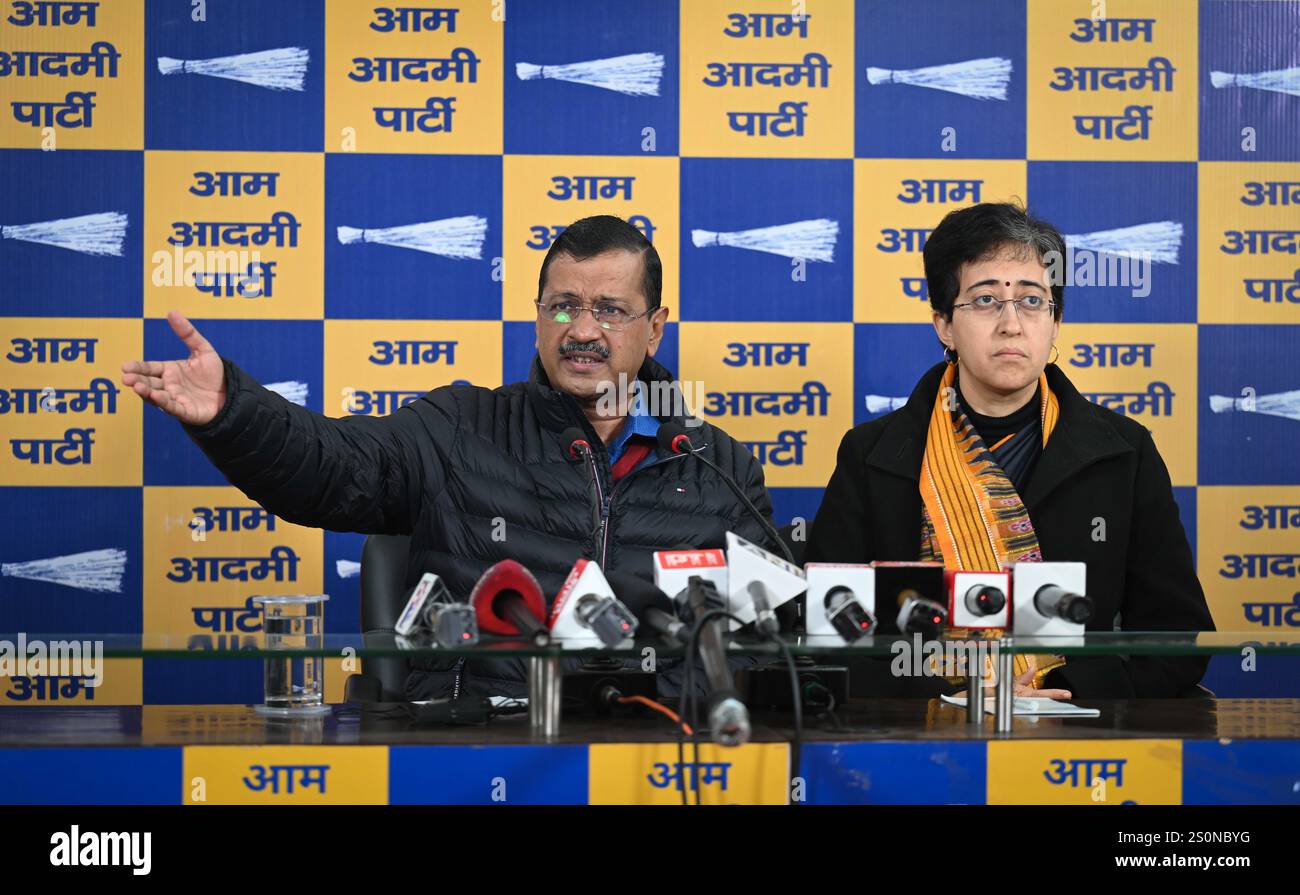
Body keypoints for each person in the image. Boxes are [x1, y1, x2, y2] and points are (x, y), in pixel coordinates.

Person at [122, 215, 779, 700]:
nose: (582, 331)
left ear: (655, 326)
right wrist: (234, 410)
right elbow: (331, 470)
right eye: (563, 307)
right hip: (477, 755)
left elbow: (782, 644)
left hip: (660, 765)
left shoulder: (717, 466)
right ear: (537, 317)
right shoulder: (460, 428)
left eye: (610, 310)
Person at [806, 202, 1214, 699]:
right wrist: (948, 687)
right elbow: (827, 634)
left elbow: (1178, 636)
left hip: (1078, 739)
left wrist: (1070, 685)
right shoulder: (873, 455)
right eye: (984, 301)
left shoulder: (1124, 452)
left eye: (1032, 301)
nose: (1011, 324)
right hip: (922, 740)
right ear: (943, 325)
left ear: (1056, 322)